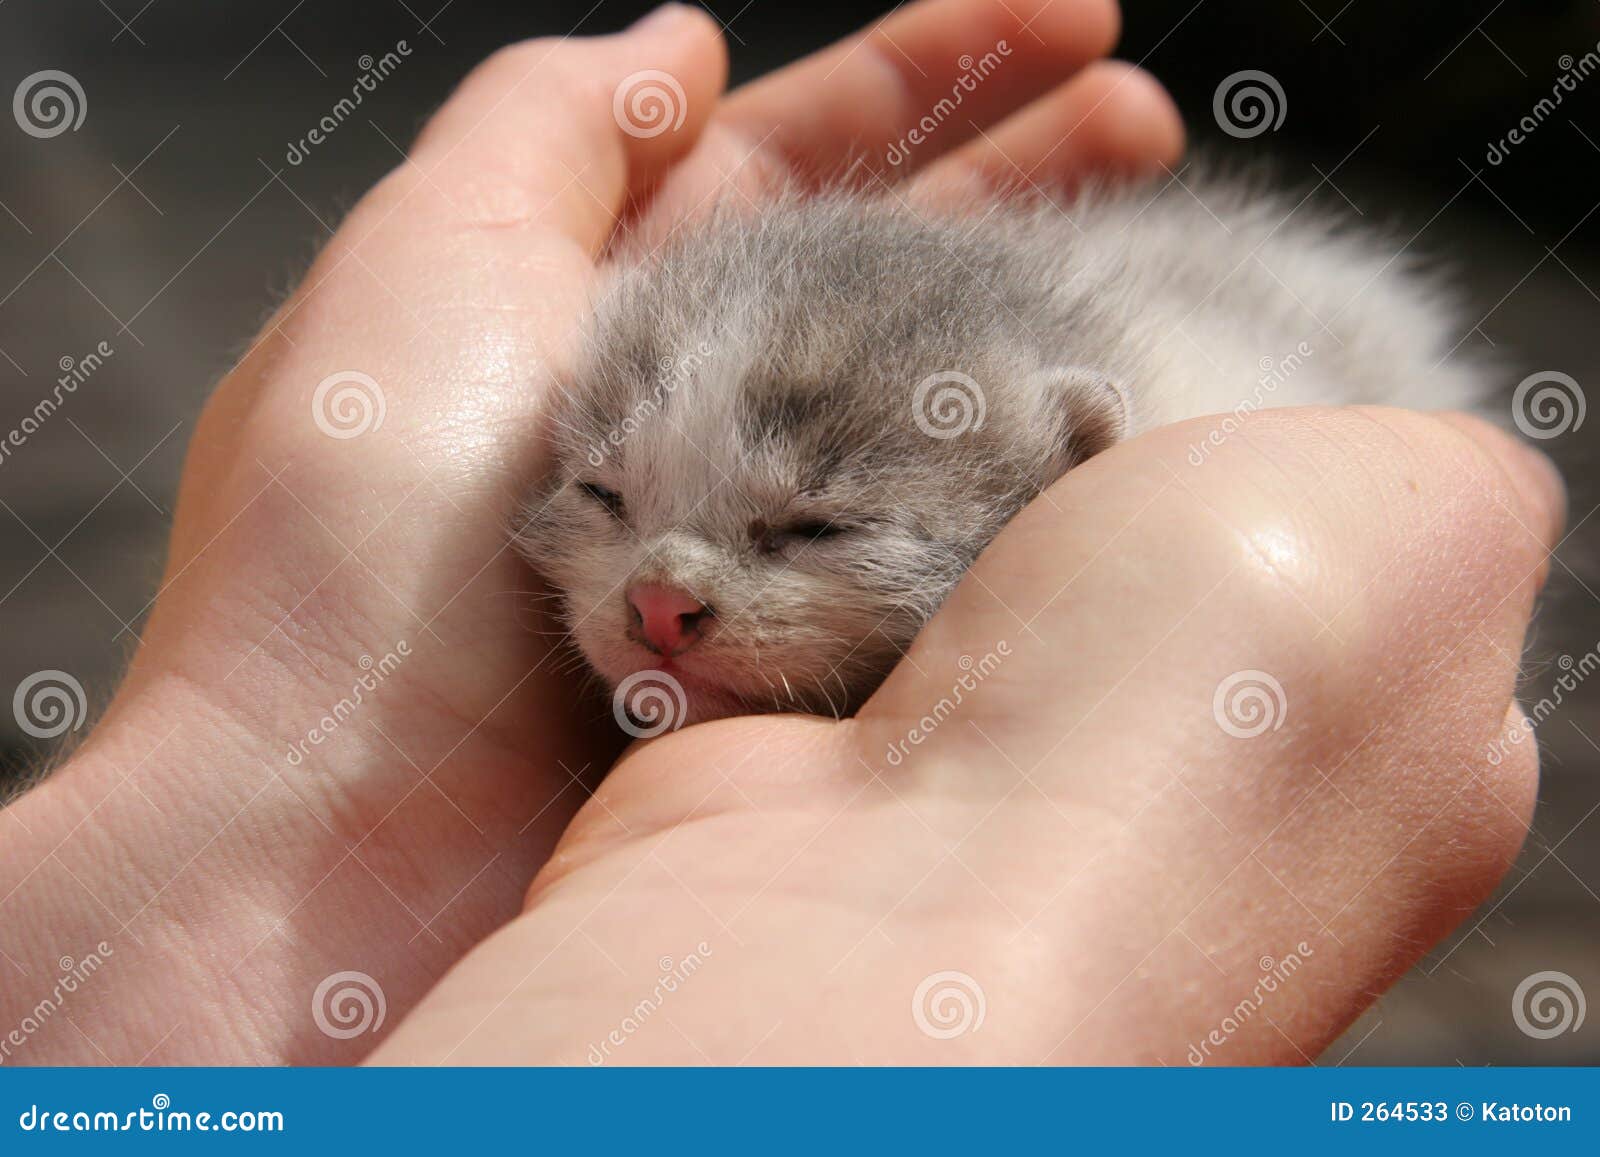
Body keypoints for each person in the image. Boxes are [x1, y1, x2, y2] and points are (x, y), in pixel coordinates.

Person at [0, 0, 1561, 1065]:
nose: (661, 599)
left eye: (810, 529)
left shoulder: (1217, 411)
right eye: (603, 499)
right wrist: (259, 756)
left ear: (1079, 462)